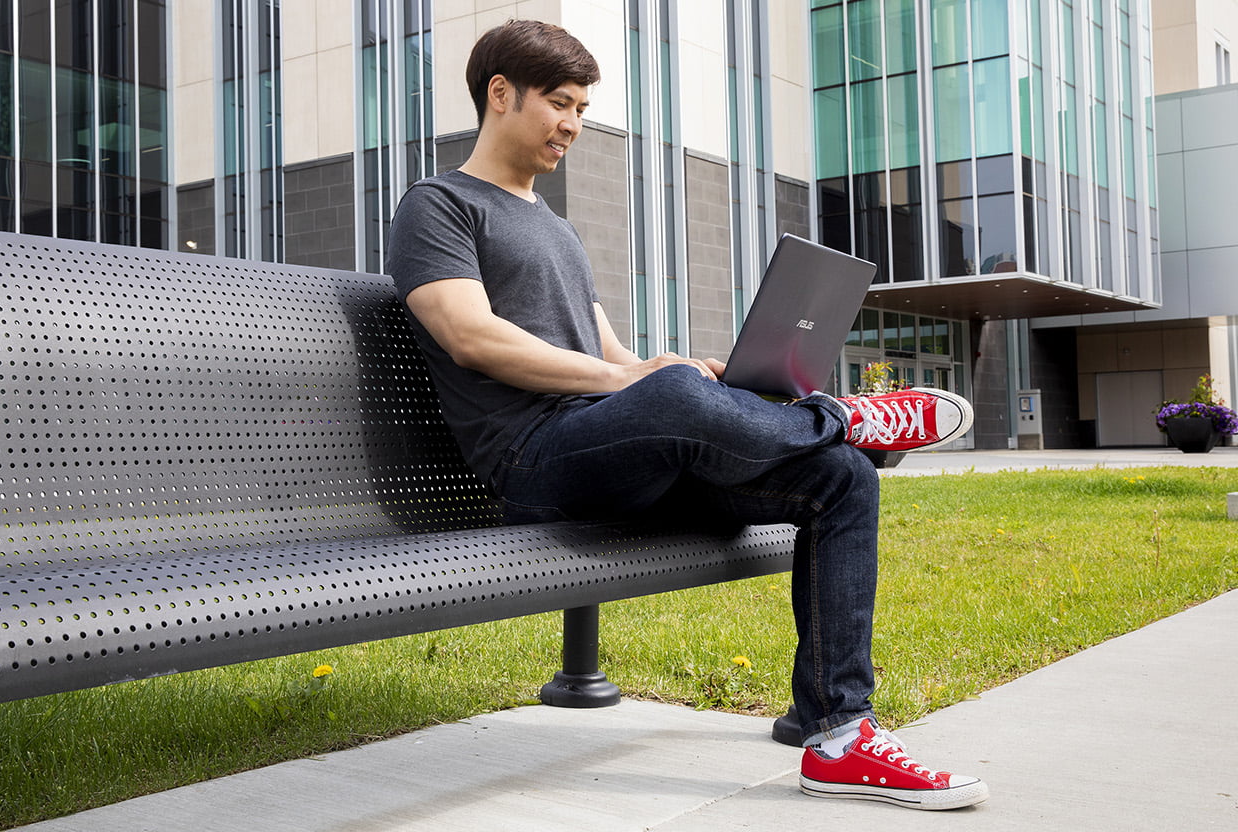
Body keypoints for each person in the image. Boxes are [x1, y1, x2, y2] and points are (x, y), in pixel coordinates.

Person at [386, 19, 988, 812]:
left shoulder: (557, 227)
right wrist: (642, 386)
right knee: (687, 402)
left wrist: (658, 368)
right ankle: (844, 416)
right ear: (501, 94)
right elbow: (470, 337)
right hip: (533, 460)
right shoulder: (440, 206)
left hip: (612, 449)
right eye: (559, 104)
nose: (572, 123)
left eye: (580, 107)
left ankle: (835, 728)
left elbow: (611, 357)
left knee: (839, 481)